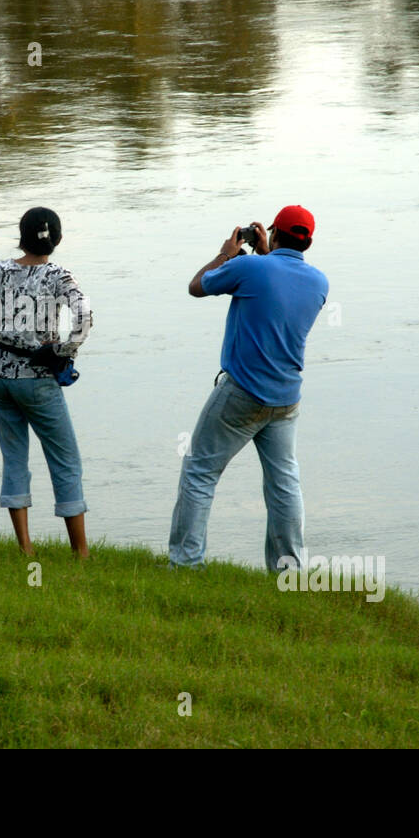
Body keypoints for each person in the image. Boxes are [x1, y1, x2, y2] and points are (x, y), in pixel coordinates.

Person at [168, 205, 328, 571]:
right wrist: (265, 253)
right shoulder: (319, 282)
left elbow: (196, 287)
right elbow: (280, 286)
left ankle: (185, 564)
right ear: (310, 241)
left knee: (200, 473)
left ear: (274, 233)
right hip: (287, 399)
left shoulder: (248, 267)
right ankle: (289, 571)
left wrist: (227, 252)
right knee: (284, 484)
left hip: (241, 394)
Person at [0, 207, 93, 557]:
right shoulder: (58, 275)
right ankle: (81, 553)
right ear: (55, 238)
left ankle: (25, 549)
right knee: (65, 460)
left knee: (14, 458)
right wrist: (63, 350)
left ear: (21, 235)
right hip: (37, 379)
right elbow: (85, 316)